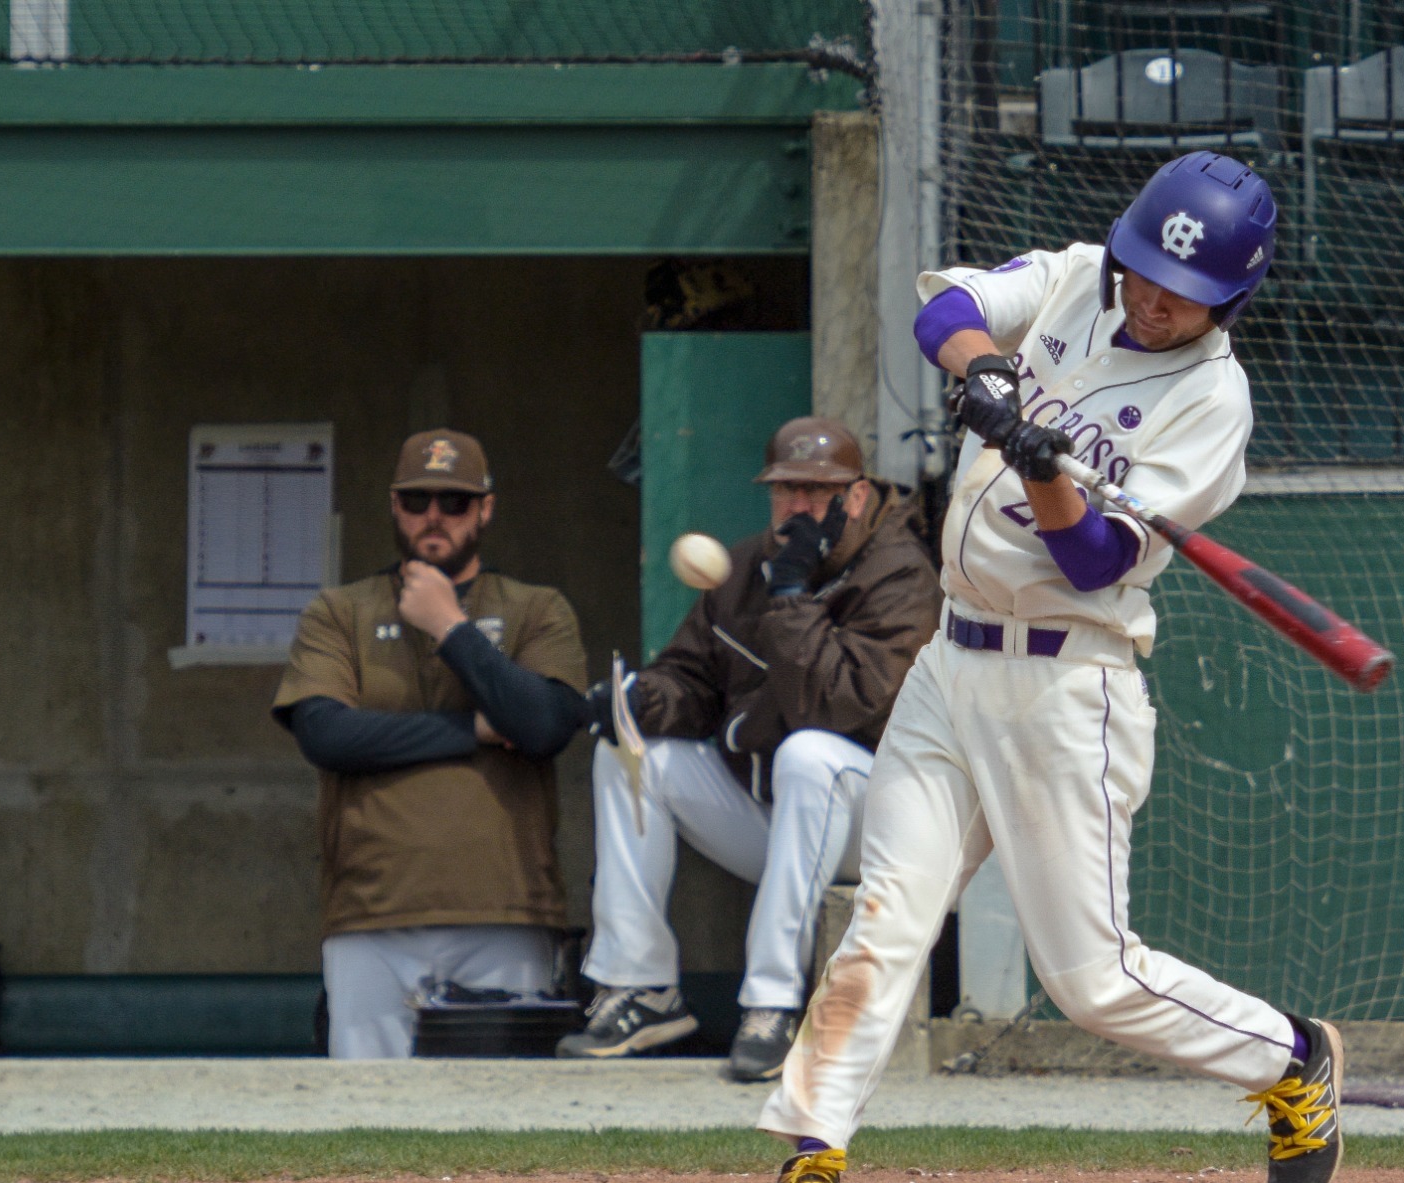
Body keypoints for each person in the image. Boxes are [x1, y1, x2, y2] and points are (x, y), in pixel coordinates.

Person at [757, 152, 1344, 1183]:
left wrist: (1043, 466)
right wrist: (989, 374)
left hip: (1069, 684)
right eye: (1145, 276)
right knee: (883, 921)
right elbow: (956, 308)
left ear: (1230, 300)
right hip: (947, 662)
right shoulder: (1083, 277)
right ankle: (812, 1156)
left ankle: (1289, 1058)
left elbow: (1090, 560)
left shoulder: (1210, 402)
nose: (1155, 302)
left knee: (1090, 981)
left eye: (1186, 295)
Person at [560, 418, 941, 1082]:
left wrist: (792, 597)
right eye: (784, 490)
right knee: (628, 749)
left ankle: (771, 1000)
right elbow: (691, 681)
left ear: (853, 496)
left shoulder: (900, 574)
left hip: (878, 822)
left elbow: (843, 705)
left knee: (809, 753)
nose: (796, 507)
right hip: (779, 814)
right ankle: (642, 988)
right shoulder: (743, 571)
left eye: (814, 492)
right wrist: (636, 700)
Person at [272, 429, 589, 1059]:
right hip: (373, 908)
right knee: (365, 1129)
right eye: (417, 501)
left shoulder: (536, 609)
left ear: (485, 509)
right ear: (394, 505)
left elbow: (546, 726)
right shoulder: (340, 610)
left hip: (505, 904)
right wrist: (471, 729)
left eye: (454, 501)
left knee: (501, 1138)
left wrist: (450, 626)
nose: (434, 517)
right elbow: (325, 733)